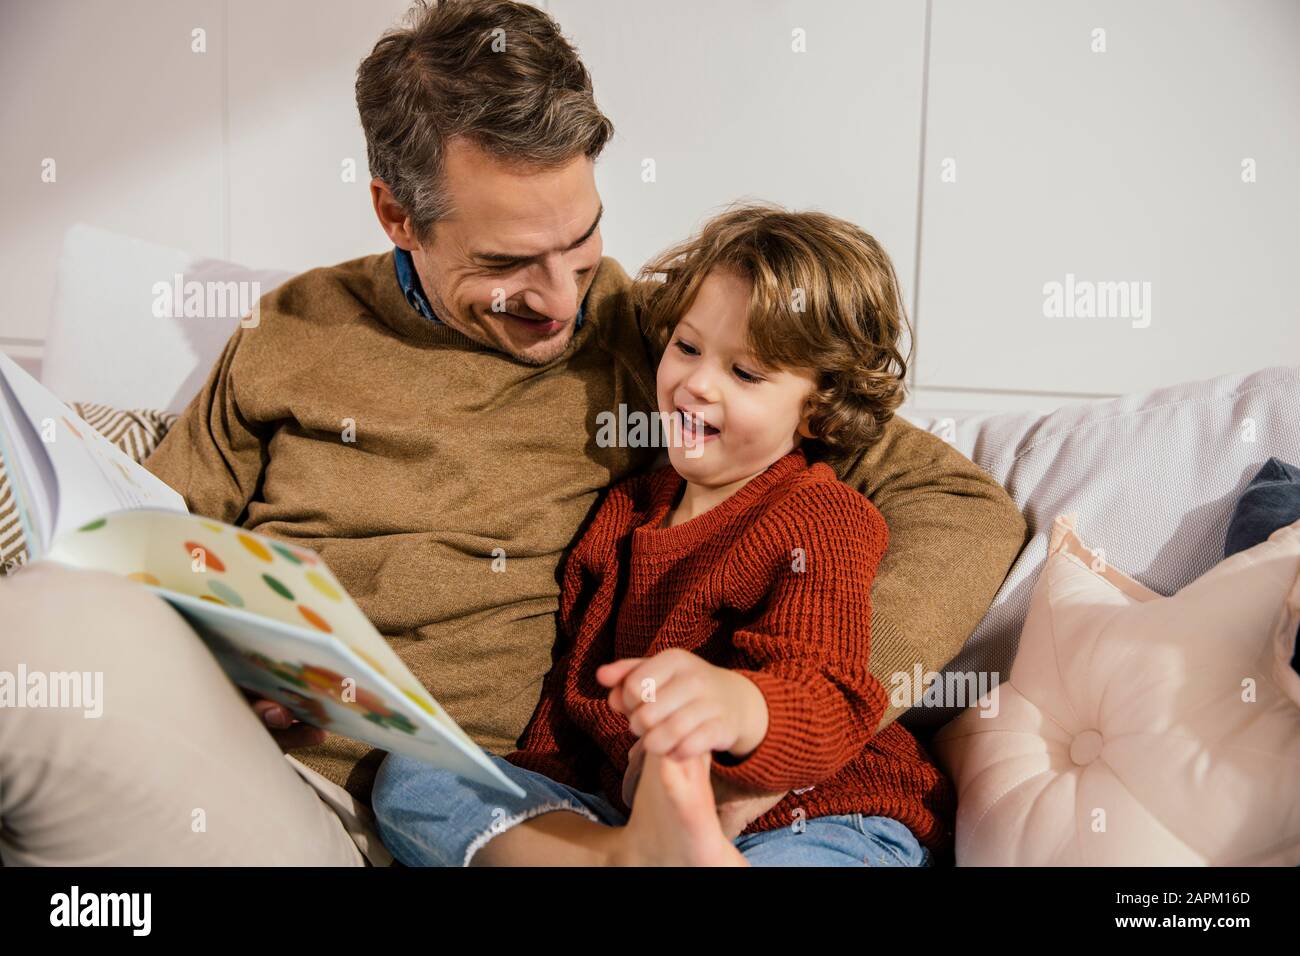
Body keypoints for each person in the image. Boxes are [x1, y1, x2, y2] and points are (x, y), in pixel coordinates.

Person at [0, 0, 1025, 866]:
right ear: (397, 215)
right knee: (43, 628)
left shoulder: (658, 338)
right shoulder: (290, 331)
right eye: (505, 262)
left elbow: (956, 504)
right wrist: (241, 647)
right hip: (287, 780)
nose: (555, 300)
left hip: (526, 802)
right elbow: (150, 537)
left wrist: (770, 728)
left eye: (579, 243)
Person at [373, 204, 958, 866]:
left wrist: (737, 704)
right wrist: (547, 793)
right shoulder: (623, 513)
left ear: (821, 408)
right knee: (415, 775)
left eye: (745, 373)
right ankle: (615, 859)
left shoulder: (820, 515)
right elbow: (569, 702)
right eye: (687, 347)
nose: (697, 383)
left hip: (819, 814)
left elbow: (829, 695)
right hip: (634, 823)